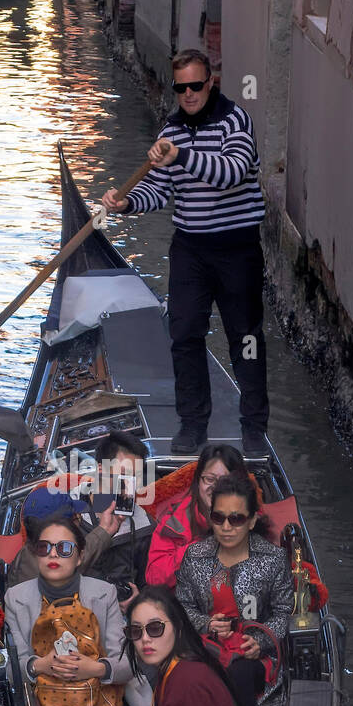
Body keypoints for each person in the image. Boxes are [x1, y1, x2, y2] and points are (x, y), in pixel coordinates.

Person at [100, 48, 269, 459]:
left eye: (196, 85)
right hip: (191, 248)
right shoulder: (171, 131)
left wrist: (181, 155)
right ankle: (193, 426)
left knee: (244, 339)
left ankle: (253, 430)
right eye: (181, 88)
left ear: (210, 82)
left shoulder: (236, 121)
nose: (189, 93)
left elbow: (230, 173)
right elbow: (160, 190)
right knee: (184, 337)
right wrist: (127, 203)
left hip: (237, 247)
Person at [4, 516, 133, 706]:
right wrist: (41, 665)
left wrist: (95, 668)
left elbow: (125, 664)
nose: (53, 554)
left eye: (64, 549)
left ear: (79, 556)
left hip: (99, 703)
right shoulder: (17, 598)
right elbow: (14, 667)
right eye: (44, 548)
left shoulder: (104, 593)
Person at [175, 473, 292, 706]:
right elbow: (181, 608)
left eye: (236, 519)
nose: (226, 527)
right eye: (219, 518)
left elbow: (285, 612)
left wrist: (260, 641)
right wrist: (207, 624)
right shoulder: (195, 556)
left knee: (239, 673)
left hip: (255, 654)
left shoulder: (273, 559)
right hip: (206, 646)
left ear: (252, 520)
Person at [126, 587, 245, 706]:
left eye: (155, 628)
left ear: (178, 628)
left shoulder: (189, 681)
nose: (145, 639)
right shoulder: (177, 670)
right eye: (136, 631)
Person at [146, 443, 260, 589]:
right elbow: (154, 578)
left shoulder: (253, 518)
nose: (216, 488)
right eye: (210, 479)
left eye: (225, 481)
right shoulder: (175, 521)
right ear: (198, 481)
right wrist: (197, 550)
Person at [76, 430, 154, 609]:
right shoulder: (68, 511)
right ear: (101, 469)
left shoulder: (144, 526)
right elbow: (55, 571)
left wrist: (137, 603)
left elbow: (148, 583)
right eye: (124, 474)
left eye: (136, 477)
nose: (129, 484)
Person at [6, 485, 120, 589]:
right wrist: (105, 529)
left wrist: (105, 530)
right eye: (75, 517)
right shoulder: (51, 568)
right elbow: (75, 560)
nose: (79, 520)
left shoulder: (29, 551)